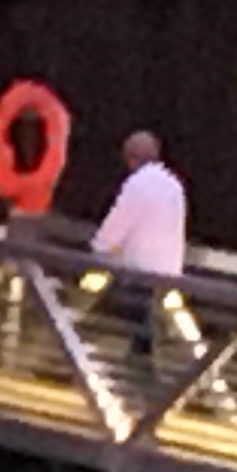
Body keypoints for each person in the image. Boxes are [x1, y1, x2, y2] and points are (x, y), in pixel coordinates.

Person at [90, 129, 187, 379]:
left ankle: (139, 374)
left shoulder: (137, 184)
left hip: (140, 270)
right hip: (168, 271)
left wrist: (99, 248)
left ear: (130, 158)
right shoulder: (174, 185)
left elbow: (119, 222)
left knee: (132, 318)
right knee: (145, 326)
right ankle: (142, 370)